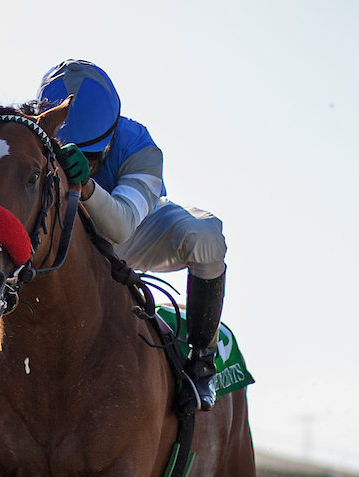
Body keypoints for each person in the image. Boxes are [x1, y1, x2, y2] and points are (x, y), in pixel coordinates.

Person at [37, 60, 228, 412]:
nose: (85, 163)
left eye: (93, 156)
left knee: (206, 236)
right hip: (65, 243)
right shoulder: (35, 138)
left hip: (133, 235)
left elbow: (121, 226)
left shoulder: (140, 146)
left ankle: (202, 359)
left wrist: (88, 186)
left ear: (111, 135)